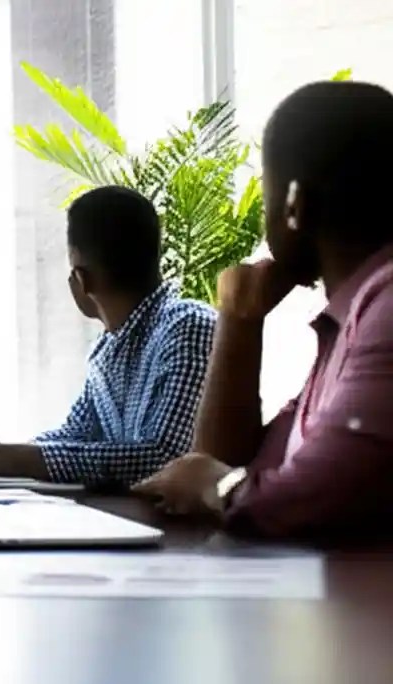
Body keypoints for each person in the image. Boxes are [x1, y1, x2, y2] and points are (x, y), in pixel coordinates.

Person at [135, 81, 393, 539]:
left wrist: (215, 485)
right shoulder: (353, 317)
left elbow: (306, 499)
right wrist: (238, 321)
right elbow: (239, 465)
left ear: (294, 205)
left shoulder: (387, 304)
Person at [0, 186, 216, 490]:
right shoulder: (109, 348)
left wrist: (0, 457)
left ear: (81, 279)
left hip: (186, 535)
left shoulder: (189, 326)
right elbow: (76, 433)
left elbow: (165, 461)